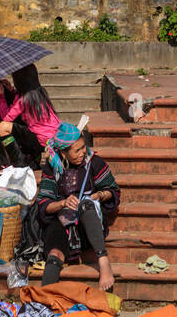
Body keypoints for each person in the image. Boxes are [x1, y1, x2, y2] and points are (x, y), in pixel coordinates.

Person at [37, 122, 120, 292]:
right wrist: (63, 203)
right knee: (54, 254)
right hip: (61, 221)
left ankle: (103, 261)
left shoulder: (93, 162)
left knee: (86, 205)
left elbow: (113, 190)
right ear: (63, 153)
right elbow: (44, 204)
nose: (83, 152)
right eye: (77, 150)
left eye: (83, 147)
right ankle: (44, 300)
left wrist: (98, 195)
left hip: (89, 223)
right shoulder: (52, 168)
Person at [0, 62, 60, 152]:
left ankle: (18, 160)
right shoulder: (40, 92)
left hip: (42, 141)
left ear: (18, 81)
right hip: (56, 135)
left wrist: (0, 96)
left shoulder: (23, 100)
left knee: (3, 127)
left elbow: (6, 118)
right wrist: (12, 90)